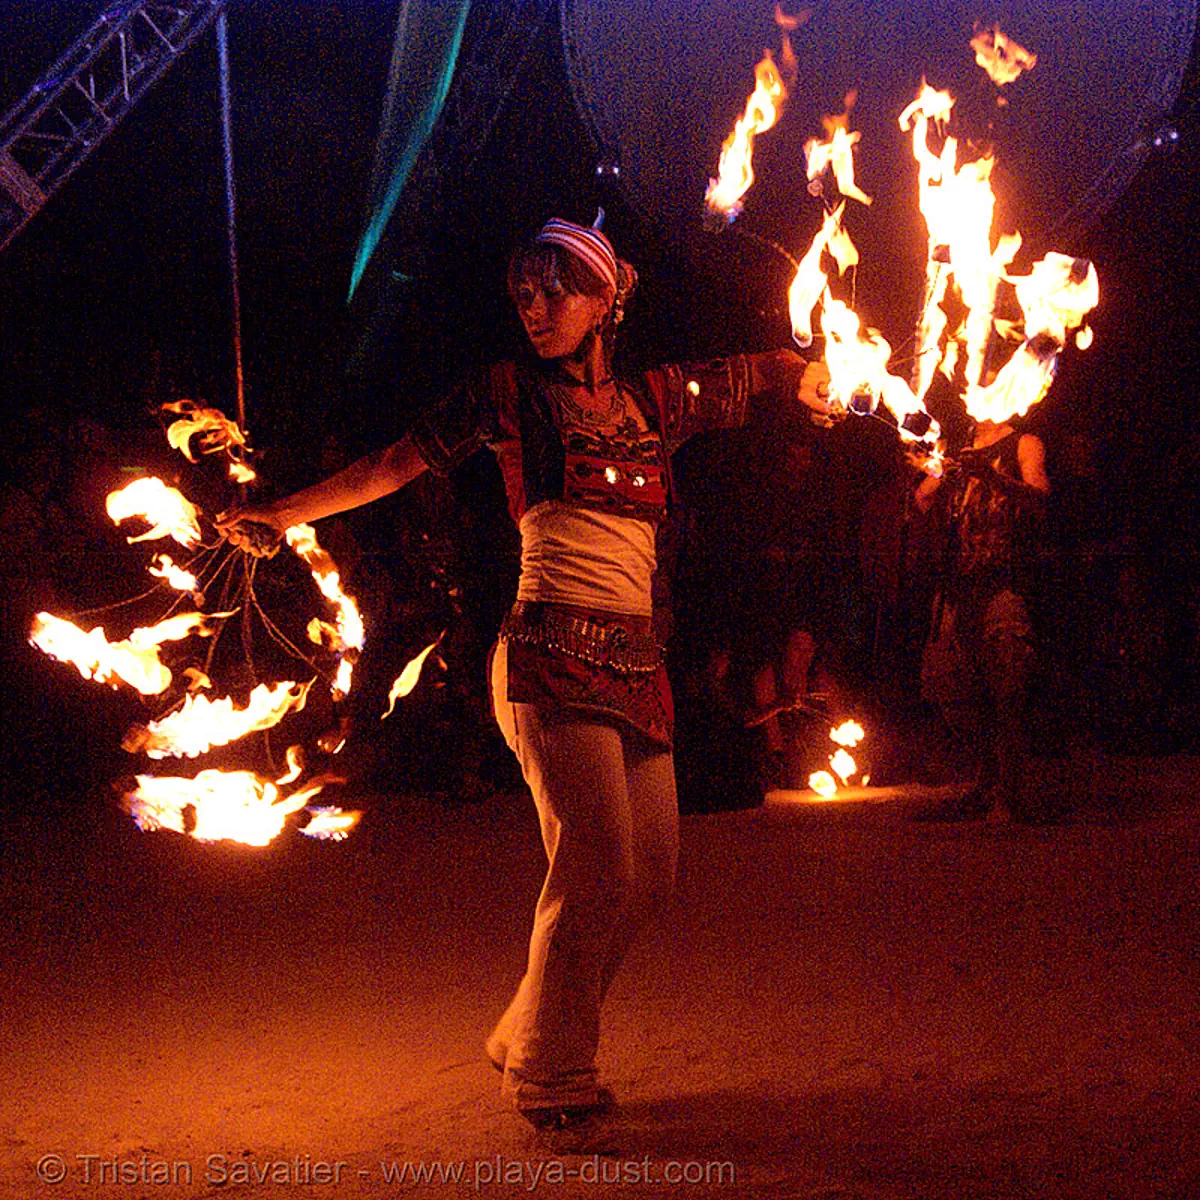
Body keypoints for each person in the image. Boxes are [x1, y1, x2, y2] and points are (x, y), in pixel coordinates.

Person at [218, 216, 830, 1136]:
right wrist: (283, 511)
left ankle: (527, 1023)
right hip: (547, 651)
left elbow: (766, 375)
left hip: (636, 659)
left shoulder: (659, 400)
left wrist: (832, 376)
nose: (535, 308)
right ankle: (552, 1069)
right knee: (596, 862)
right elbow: (396, 461)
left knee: (651, 876)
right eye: (524, 294)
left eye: (556, 291)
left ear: (604, 302)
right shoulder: (510, 395)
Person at [911, 416, 1050, 823]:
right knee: (948, 684)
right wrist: (932, 474)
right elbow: (921, 500)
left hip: (1004, 582)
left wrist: (990, 478)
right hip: (958, 585)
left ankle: (1008, 790)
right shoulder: (958, 446)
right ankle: (986, 777)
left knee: (1009, 683)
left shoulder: (1023, 444)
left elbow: (1040, 499)